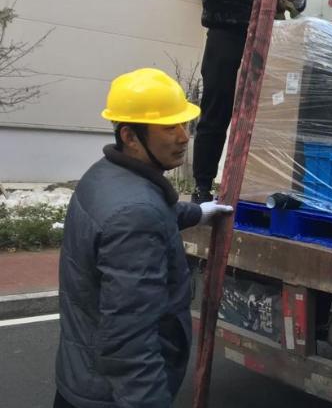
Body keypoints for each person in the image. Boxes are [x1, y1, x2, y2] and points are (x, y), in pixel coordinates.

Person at [54, 68, 233, 408]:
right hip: (111, 397)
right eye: (169, 127)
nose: (184, 137)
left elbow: (147, 213)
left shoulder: (104, 174)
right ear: (131, 137)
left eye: (185, 124)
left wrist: (198, 212)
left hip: (82, 378)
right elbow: (130, 339)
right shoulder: (136, 213)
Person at [190, 0, 307, 202]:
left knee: (267, 111)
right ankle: (202, 186)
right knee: (216, 110)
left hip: (265, 41)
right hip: (227, 34)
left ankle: (255, 185)